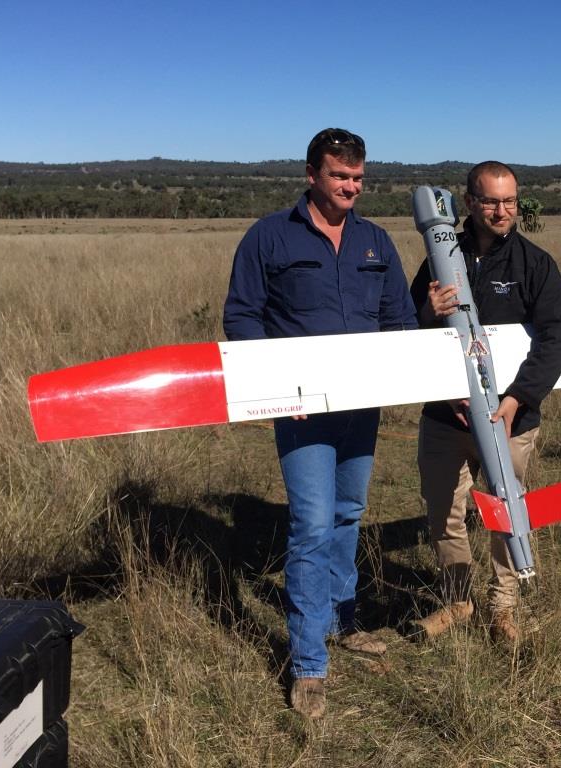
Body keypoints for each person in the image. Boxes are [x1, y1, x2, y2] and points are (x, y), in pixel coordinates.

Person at [223, 128, 417, 719]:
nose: (351, 188)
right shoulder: (269, 237)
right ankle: (309, 663)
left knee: (348, 512)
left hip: (362, 405)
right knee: (309, 525)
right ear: (311, 175)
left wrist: (399, 368)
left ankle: (342, 618)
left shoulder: (375, 240)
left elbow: (399, 319)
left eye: (358, 178)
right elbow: (242, 315)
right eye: (340, 177)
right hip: (302, 409)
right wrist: (278, 386)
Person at [408, 161, 561, 645]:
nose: (501, 211)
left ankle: (504, 608)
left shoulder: (535, 265)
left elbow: (557, 338)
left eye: (510, 201)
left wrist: (517, 399)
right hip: (444, 416)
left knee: (505, 504)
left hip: (510, 421)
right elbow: (405, 328)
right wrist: (427, 311)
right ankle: (458, 600)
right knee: (444, 512)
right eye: (490, 201)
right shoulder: (439, 259)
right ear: (468, 203)